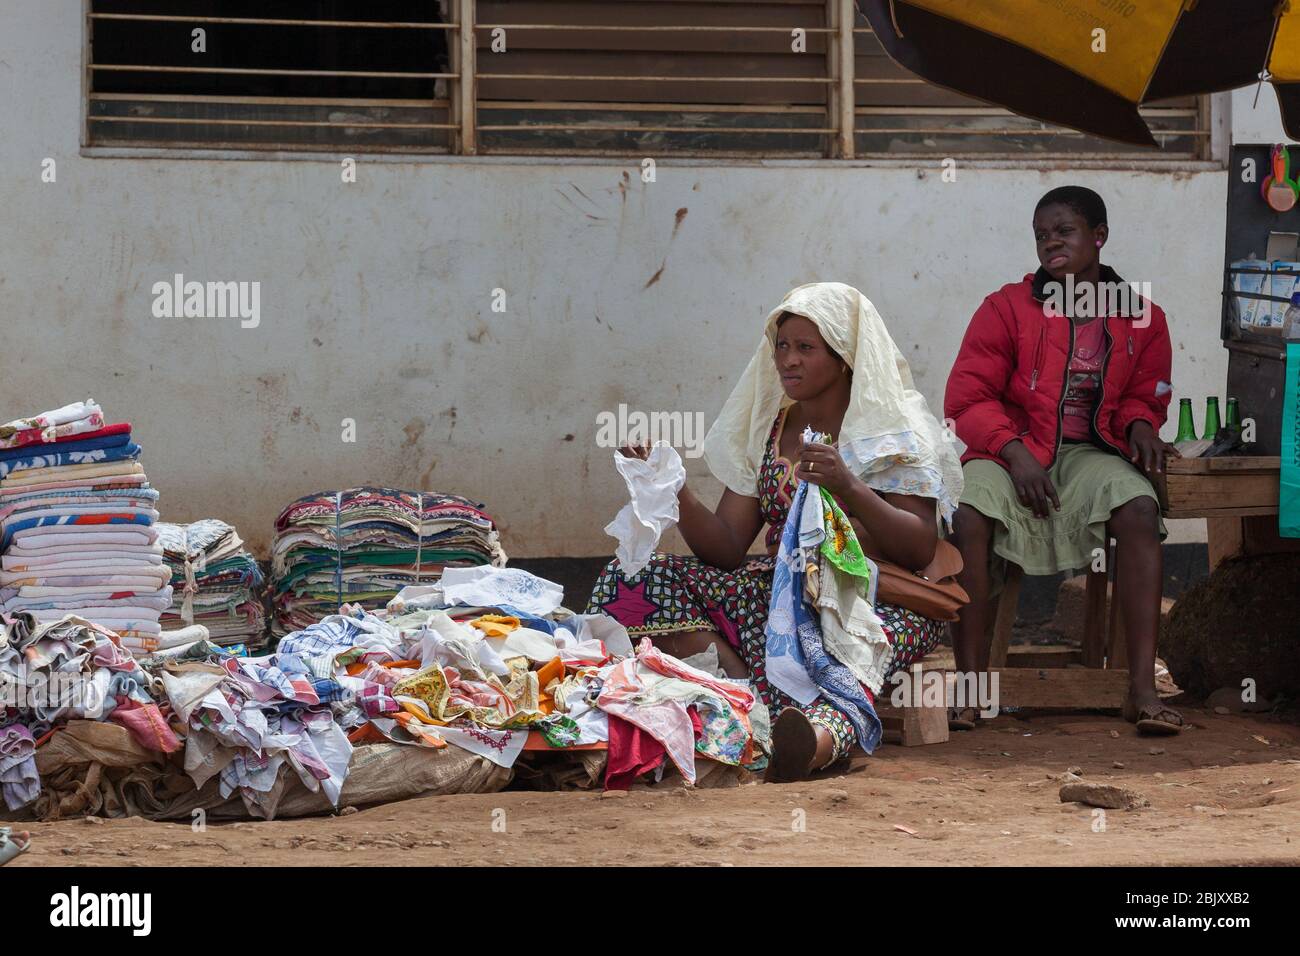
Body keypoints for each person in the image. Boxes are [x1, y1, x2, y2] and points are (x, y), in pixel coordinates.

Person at [586, 282, 963, 781]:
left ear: (845, 357)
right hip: (781, 593)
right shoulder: (772, 428)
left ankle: (814, 742)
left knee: (844, 658)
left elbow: (916, 548)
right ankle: (749, 706)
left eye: (806, 348)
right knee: (634, 578)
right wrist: (675, 489)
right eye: (782, 346)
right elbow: (724, 548)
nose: (788, 360)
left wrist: (847, 485)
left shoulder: (892, 430)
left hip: (872, 601)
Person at [944, 185, 1183, 735]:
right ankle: (971, 687)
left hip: (1090, 451)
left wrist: (1143, 422)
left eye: (1064, 231)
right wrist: (1015, 454)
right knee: (967, 516)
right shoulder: (1004, 307)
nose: (1050, 242)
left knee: (1140, 510)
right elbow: (966, 400)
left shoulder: (1144, 318)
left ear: (1099, 237)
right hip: (1009, 446)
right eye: (1041, 235)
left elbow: (1148, 392)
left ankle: (1142, 692)